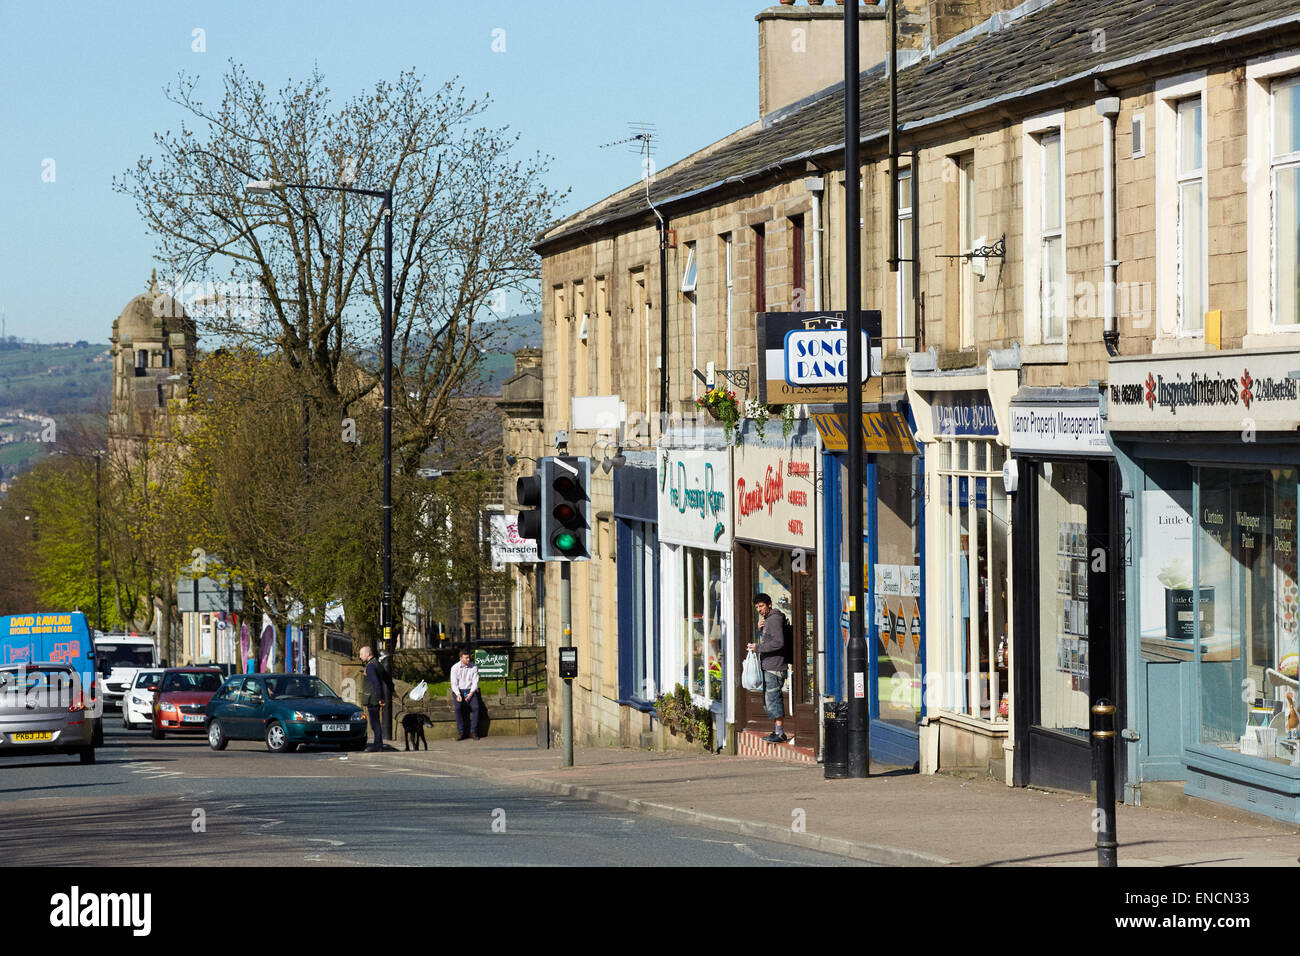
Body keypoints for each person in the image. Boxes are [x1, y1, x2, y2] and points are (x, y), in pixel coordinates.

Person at [746, 593, 788, 743]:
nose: (759, 609)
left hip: (775, 666)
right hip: (770, 666)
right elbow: (771, 640)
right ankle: (777, 731)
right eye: (756, 607)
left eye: (761, 606)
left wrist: (757, 647)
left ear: (769, 604)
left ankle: (780, 733)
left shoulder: (774, 620)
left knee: (773, 699)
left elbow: (778, 643)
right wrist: (760, 631)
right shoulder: (769, 620)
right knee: (769, 699)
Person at [448, 649, 481, 740]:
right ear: (461, 658)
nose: (468, 659)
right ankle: (461, 733)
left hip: (471, 690)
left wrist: (471, 693)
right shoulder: (455, 668)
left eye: (469, 657)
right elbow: (454, 684)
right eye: (466, 658)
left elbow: (475, 682)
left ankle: (473, 731)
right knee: (458, 708)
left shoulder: (473, 667)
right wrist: (458, 694)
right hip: (459, 691)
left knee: (476, 708)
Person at [358, 645, 386, 751]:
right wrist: (392, 690)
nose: (360, 657)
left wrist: (380, 698)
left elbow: (376, 683)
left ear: (368, 654)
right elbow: (386, 677)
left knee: (375, 723)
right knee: (376, 722)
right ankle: (378, 744)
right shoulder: (377, 663)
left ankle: (378, 745)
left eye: (361, 654)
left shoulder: (370, 667)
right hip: (375, 698)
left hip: (373, 699)